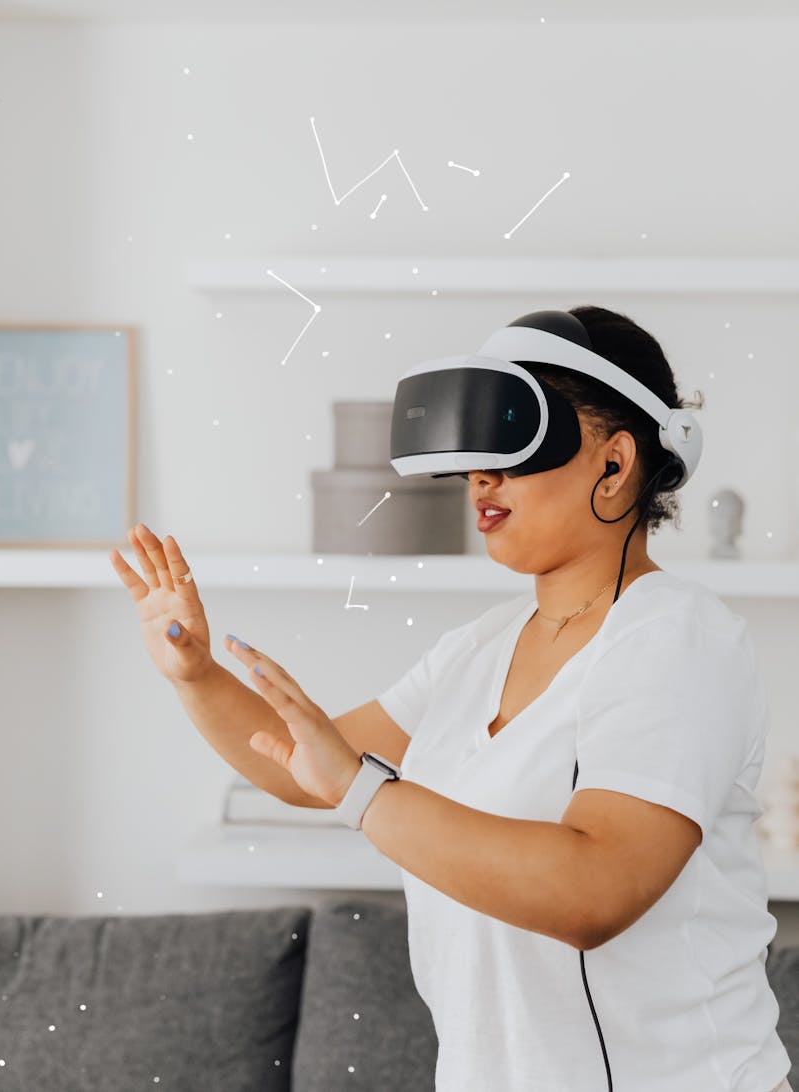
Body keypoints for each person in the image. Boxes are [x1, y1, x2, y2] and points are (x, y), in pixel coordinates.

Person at [110, 304, 793, 1091]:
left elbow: (595, 891)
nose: (481, 474)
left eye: (517, 438)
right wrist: (194, 672)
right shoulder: (475, 649)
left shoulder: (679, 641)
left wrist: (364, 794)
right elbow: (302, 763)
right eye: (477, 446)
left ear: (613, 464)